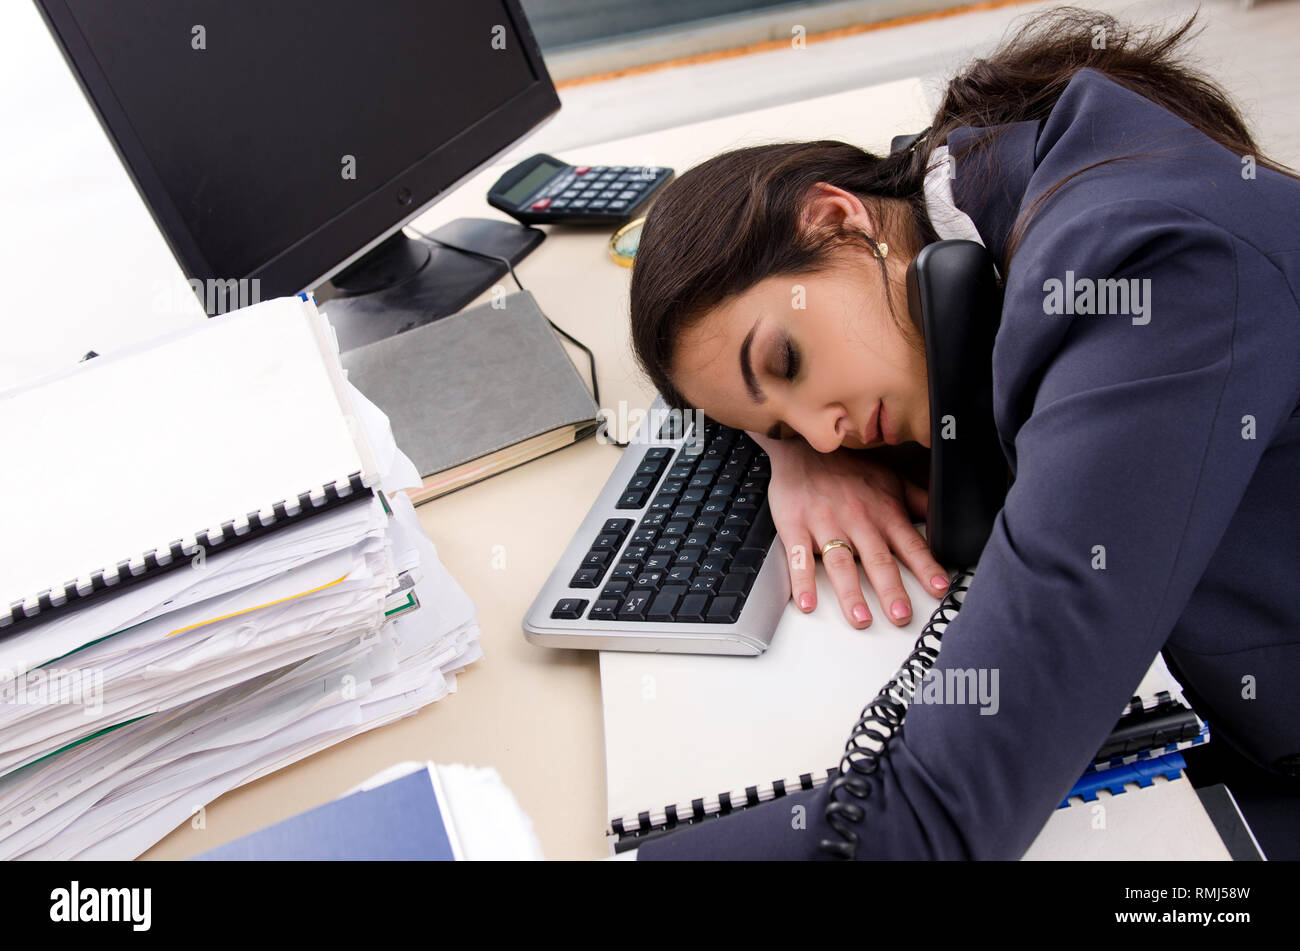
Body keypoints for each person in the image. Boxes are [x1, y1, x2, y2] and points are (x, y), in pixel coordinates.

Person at [625, 7, 1300, 859]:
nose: (830, 439)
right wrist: (789, 451)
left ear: (835, 218)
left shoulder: (1140, 274)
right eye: (777, 422)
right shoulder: (970, 174)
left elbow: (932, 818)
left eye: (787, 361)